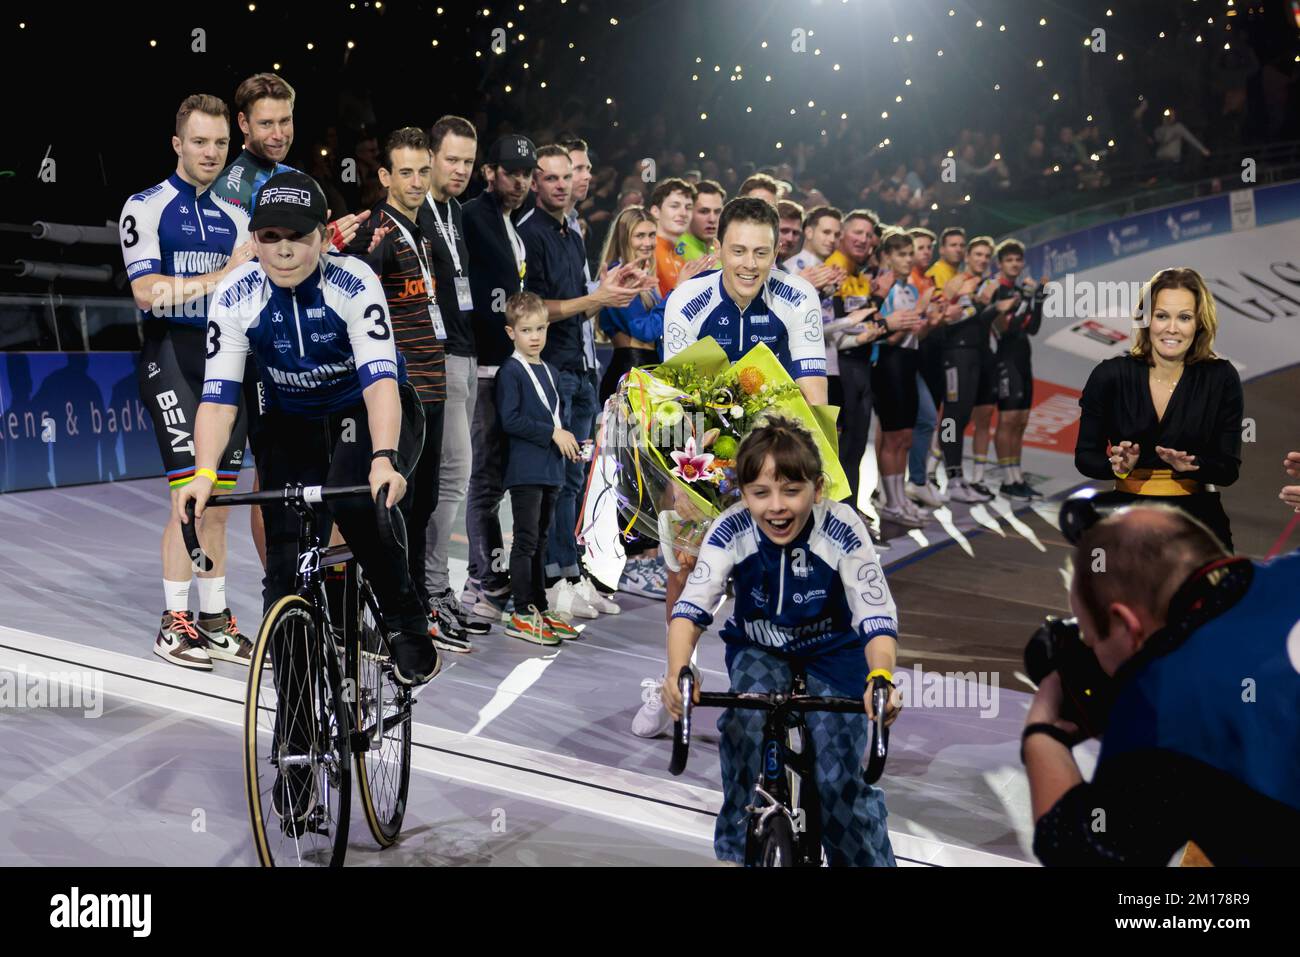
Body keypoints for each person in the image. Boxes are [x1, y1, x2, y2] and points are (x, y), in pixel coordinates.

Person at [175, 170, 437, 688]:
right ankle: (293, 749)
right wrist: (203, 472)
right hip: (291, 420)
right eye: (270, 237)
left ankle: (405, 621)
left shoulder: (354, 280)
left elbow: (380, 382)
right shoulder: (235, 294)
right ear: (254, 240)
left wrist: (383, 457)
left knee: (358, 501)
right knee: (283, 572)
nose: (284, 249)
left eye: (298, 235)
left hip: (364, 411)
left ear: (323, 236)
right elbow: (219, 399)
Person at [660, 417, 902, 866]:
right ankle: (739, 843)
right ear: (743, 493)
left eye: (792, 491)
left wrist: (880, 675)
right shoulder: (732, 528)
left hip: (835, 651)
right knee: (742, 729)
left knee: (838, 782)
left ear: (818, 487)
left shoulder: (843, 528)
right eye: (761, 493)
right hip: (760, 647)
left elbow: (875, 616)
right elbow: (692, 609)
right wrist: (677, 670)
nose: (777, 507)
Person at [1028, 504, 1300, 865]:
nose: (1091, 650)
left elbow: (1081, 854)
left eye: (1092, 638)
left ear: (1125, 623)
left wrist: (1043, 735)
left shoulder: (1164, 708)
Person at [119, 93, 254, 670]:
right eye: (199, 141)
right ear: (177, 144)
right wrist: (220, 275)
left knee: (219, 501)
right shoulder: (144, 206)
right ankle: (172, 622)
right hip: (170, 356)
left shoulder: (238, 216)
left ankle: (215, 620)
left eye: (221, 143)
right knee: (187, 496)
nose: (210, 152)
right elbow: (148, 295)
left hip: (226, 361)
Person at [345, 127, 468, 653]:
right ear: (384, 176)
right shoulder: (377, 231)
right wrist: (366, 261)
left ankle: (415, 602)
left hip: (433, 383)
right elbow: (360, 300)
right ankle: (389, 611)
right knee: (398, 505)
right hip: (401, 391)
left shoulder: (420, 232)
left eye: (423, 171)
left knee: (422, 506)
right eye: (406, 173)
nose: (417, 182)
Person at [519, 144, 645, 617]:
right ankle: (554, 580)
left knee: (577, 480)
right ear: (535, 182)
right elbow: (536, 308)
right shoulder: (529, 233)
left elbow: (578, 298)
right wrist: (597, 300)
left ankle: (573, 572)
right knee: (556, 481)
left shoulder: (572, 233)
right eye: (550, 177)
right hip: (551, 369)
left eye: (567, 176)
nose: (561, 184)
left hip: (581, 367)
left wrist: (607, 288)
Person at [1074, 268, 1243, 550]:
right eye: (1162, 315)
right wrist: (1117, 468)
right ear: (1145, 318)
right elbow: (1085, 456)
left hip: (1199, 523)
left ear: (1200, 322)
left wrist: (1195, 466)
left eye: (1185, 317)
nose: (1172, 328)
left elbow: (1228, 470)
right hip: (1126, 519)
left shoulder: (1221, 377)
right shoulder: (1109, 375)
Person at [420, 115, 491, 637]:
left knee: (452, 480)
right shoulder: (416, 212)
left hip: (463, 353)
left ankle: (434, 588)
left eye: (468, 161)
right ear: (431, 157)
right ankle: (432, 589)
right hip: (435, 358)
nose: (461, 169)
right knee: (450, 478)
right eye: (452, 159)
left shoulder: (454, 213)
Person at [459, 134, 535, 622]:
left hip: (507, 369)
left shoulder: (512, 226)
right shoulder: (470, 217)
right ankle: (482, 583)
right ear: (491, 172)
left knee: (499, 479)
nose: (521, 183)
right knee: (484, 480)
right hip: (483, 368)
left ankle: (479, 578)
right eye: (512, 173)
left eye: (527, 175)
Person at [496, 292, 583, 645]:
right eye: (527, 329)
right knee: (526, 540)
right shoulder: (511, 371)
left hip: (551, 469)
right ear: (511, 332)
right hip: (526, 470)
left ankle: (539, 606)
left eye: (540, 329)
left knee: (542, 541)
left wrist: (568, 443)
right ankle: (521, 609)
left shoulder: (550, 371)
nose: (535, 336)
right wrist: (551, 433)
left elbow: (555, 418)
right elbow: (510, 419)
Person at [595, 205, 670, 601]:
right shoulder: (618, 279)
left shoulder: (652, 280)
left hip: (649, 372)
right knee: (630, 471)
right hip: (628, 371)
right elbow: (644, 328)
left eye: (649, 236)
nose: (645, 243)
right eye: (639, 236)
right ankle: (633, 560)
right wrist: (672, 298)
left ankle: (650, 554)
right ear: (624, 238)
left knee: (650, 468)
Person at [870, 230, 928, 527]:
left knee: (906, 436)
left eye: (910, 254)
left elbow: (916, 332)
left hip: (908, 363)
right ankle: (890, 501)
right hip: (888, 365)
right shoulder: (886, 288)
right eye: (902, 254)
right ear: (888, 257)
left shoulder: (911, 288)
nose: (908, 259)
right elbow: (883, 335)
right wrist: (914, 318)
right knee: (893, 436)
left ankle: (900, 498)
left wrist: (924, 320)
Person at [936, 235, 999, 504]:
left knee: (962, 419)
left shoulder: (989, 284)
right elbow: (945, 316)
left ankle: (956, 476)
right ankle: (951, 477)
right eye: (978, 255)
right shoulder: (958, 281)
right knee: (952, 417)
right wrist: (977, 303)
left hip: (977, 354)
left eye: (987, 256)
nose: (982, 260)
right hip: (955, 354)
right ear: (968, 257)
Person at [989, 239, 1046, 500]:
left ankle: (1017, 475)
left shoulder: (1017, 289)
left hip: (1023, 358)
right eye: (1008, 260)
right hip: (1004, 359)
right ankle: (1007, 479)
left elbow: (1031, 328)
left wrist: (1038, 300)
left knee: (1021, 421)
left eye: (1017, 260)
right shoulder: (996, 291)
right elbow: (1006, 327)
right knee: (1008, 420)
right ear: (1000, 264)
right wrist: (1026, 297)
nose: (1014, 264)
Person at [649, 177, 699, 297]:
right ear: (655, 211)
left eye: (688, 207)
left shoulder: (682, 254)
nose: (683, 213)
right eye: (674, 206)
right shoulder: (646, 252)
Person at [679, 179, 725, 261]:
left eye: (717, 212)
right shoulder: (676, 250)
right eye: (704, 212)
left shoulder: (721, 252)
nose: (712, 219)